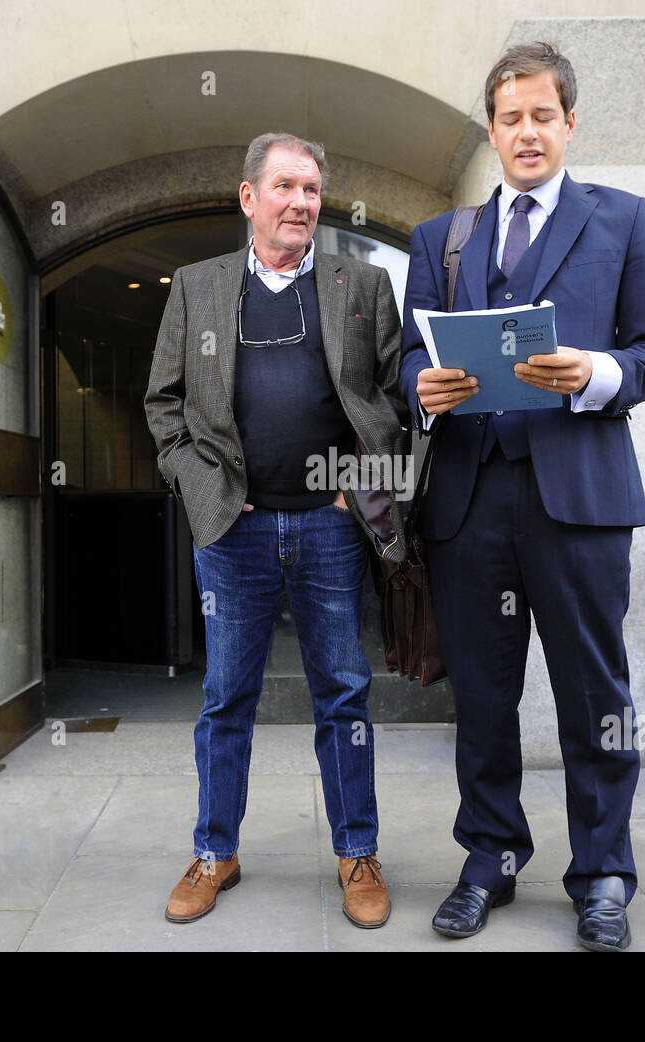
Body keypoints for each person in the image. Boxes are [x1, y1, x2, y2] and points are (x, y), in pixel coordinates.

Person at [399, 42, 645, 951]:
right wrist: (422, 391)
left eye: (542, 116)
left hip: (581, 501)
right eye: (510, 118)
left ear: (569, 124)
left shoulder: (624, 221)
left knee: (594, 693)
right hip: (470, 503)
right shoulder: (442, 239)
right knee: (482, 697)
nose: (527, 132)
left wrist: (594, 371)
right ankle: (489, 859)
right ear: (491, 128)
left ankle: (602, 872)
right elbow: (410, 358)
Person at [145, 132, 409, 929]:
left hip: (331, 530)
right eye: (287, 187)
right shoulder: (197, 287)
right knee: (227, 697)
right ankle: (214, 852)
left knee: (344, 693)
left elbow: (396, 406)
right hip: (233, 530)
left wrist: (360, 489)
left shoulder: (360, 284)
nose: (302, 202)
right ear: (249, 198)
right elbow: (165, 408)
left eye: (314, 190)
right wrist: (202, 493)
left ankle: (357, 852)